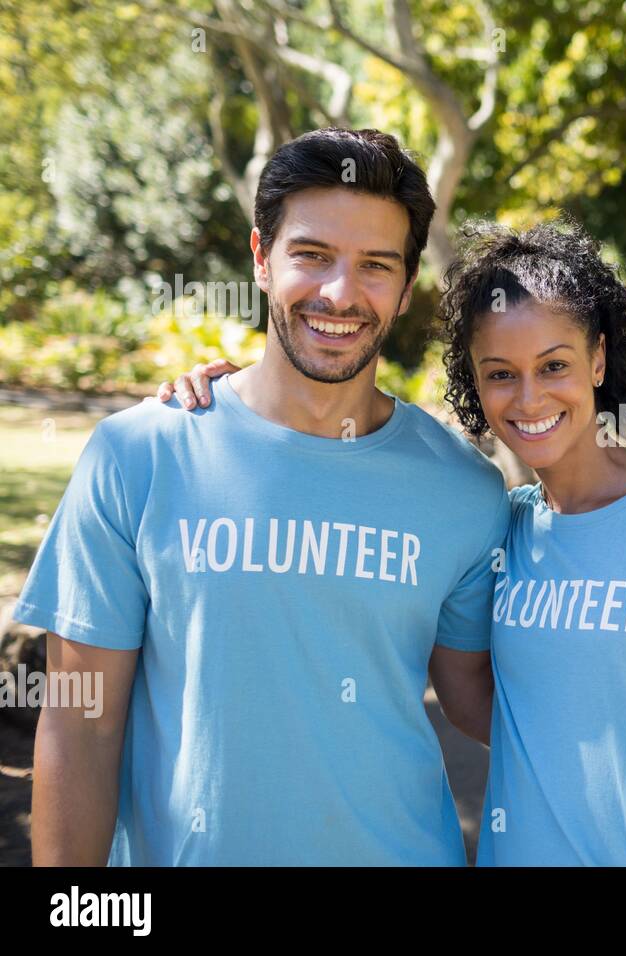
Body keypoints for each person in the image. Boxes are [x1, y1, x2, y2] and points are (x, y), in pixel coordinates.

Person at [162, 217, 626, 866]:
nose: (528, 399)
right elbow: (486, 701)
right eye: (500, 374)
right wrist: (244, 396)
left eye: (554, 365)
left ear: (598, 359)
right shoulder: (498, 527)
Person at [15, 128, 510, 865]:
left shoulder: (466, 489)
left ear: (407, 288)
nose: (340, 293)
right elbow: (80, 722)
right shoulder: (140, 454)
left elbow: (490, 705)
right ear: (260, 259)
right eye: (311, 255)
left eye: (376, 265)